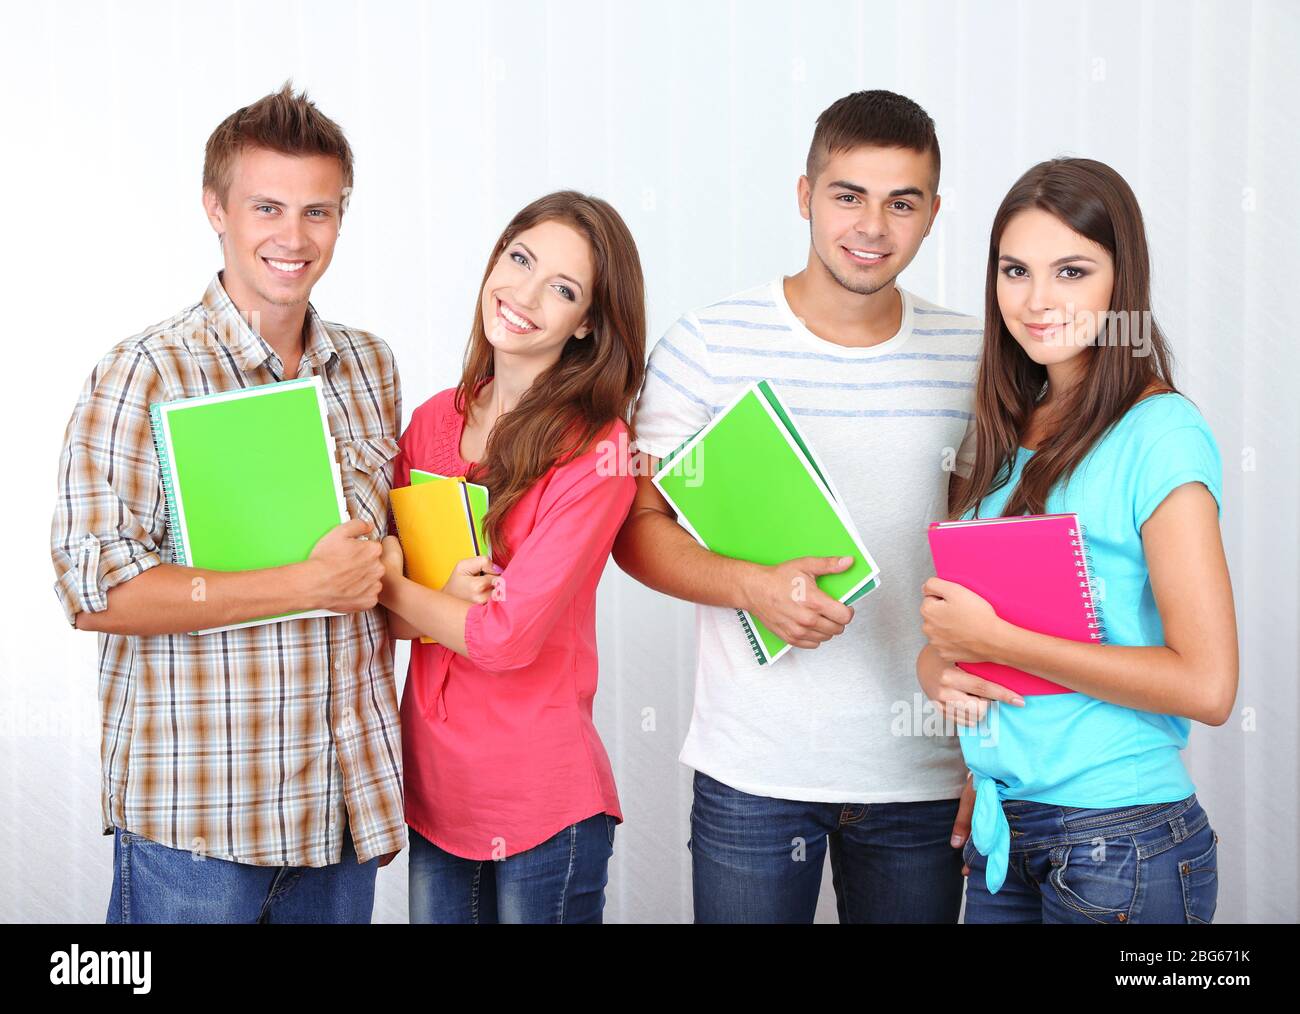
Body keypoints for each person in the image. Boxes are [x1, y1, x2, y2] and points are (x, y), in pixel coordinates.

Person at [613, 90, 982, 923]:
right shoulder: (707, 343)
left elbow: (991, 548)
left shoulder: (976, 354)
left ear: (932, 214)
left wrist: (991, 760)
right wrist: (751, 586)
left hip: (923, 774)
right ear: (805, 195)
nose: (873, 227)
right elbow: (638, 532)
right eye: (848, 194)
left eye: (903, 202)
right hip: (756, 774)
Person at [49, 83, 405, 923]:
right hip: (199, 828)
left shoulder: (370, 367)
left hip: (341, 820)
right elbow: (94, 592)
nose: (294, 237)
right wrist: (306, 584)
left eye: (318, 212)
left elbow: (379, 571)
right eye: (267, 207)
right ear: (216, 208)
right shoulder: (144, 373)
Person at [917, 157, 1237, 923]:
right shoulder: (1005, 431)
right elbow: (984, 640)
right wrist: (939, 665)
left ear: (1121, 282)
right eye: (1015, 271)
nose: (1037, 301)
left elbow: (1208, 685)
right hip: (1004, 835)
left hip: (1121, 844)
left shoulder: (1159, 433)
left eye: (1071, 271)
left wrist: (1000, 639)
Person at [378, 190, 645, 924]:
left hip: (541, 808)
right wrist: (413, 596)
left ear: (588, 323)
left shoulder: (600, 453)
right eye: (519, 259)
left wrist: (395, 583)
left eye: (562, 289)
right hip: (434, 791)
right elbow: (385, 624)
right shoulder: (435, 420)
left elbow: (504, 638)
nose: (523, 294)